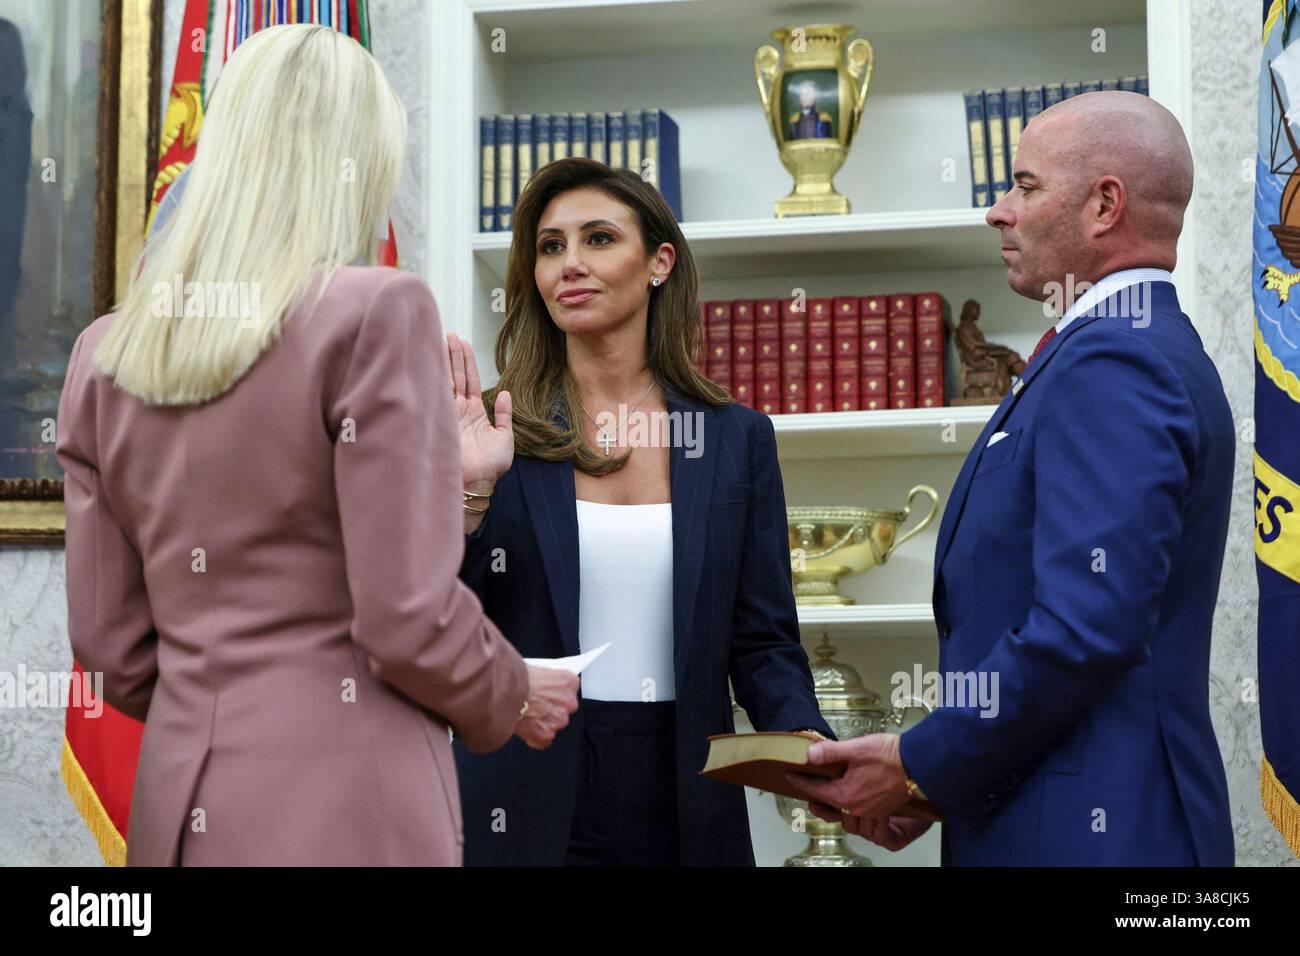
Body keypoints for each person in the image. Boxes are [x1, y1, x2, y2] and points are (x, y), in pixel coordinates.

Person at [56, 24, 577, 867]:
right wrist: (509, 688)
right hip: (347, 805)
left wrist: (220, 707)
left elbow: (112, 650)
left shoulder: (103, 355)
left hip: (179, 809)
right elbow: (403, 617)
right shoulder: (375, 312)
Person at [791, 91, 1236, 865]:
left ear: (1105, 206)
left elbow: (1083, 629)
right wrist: (937, 782)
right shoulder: (1129, 349)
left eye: (1024, 186)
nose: (999, 211)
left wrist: (917, 764)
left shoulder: (1114, 361)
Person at [448, 156, 833, 866]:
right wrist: (468, 496)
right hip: (522, 794)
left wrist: (811, 748)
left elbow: (763, 641)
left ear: (659, 261)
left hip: (689, 792)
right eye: (550, 246)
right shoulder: (494, 432)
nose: (570, 264)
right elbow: (439, 620)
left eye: (598, 239)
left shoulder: (735, 439)